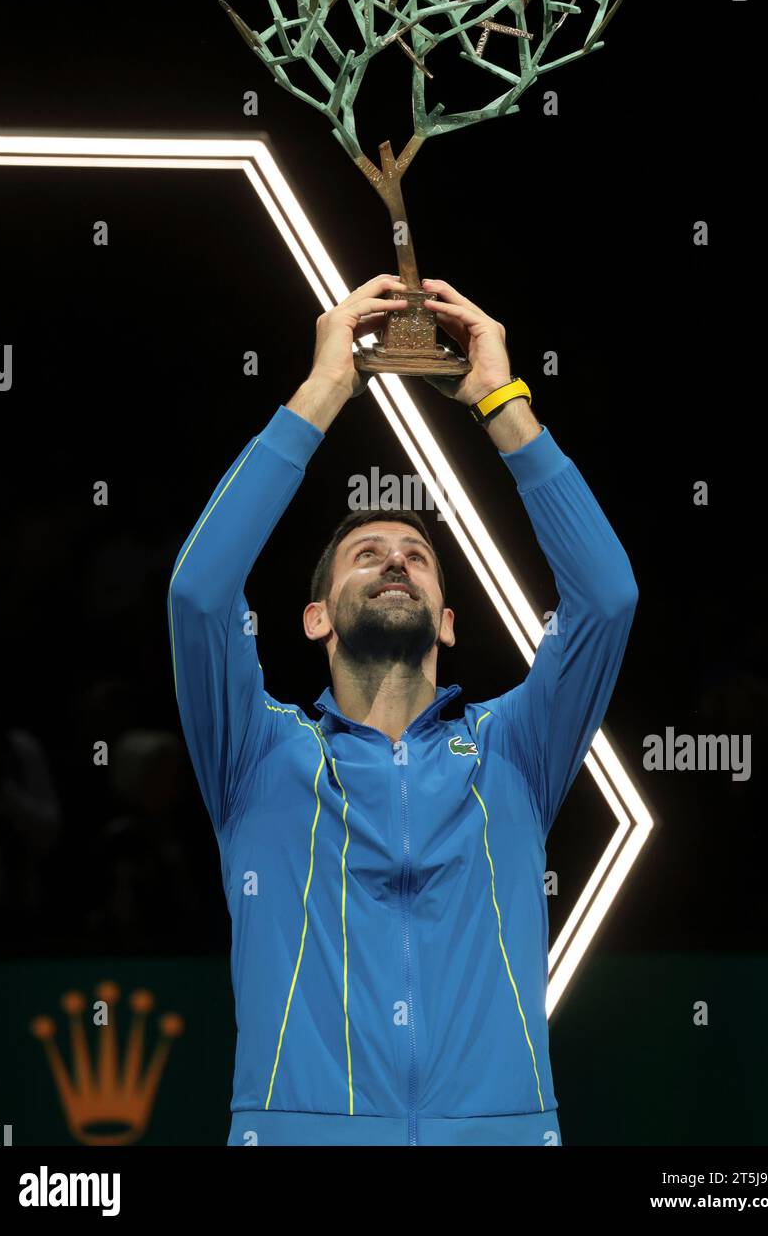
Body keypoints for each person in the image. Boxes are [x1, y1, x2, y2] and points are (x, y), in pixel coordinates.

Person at [167, 274, 638, 1146]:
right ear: (314, 618)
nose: (394, 562)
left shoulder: (515, 753)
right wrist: (325, 389)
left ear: (449, 622)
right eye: (366, 553)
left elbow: (607, 600)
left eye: (416, 556)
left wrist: (503, 402)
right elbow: (198, 595)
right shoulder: (255, 757)